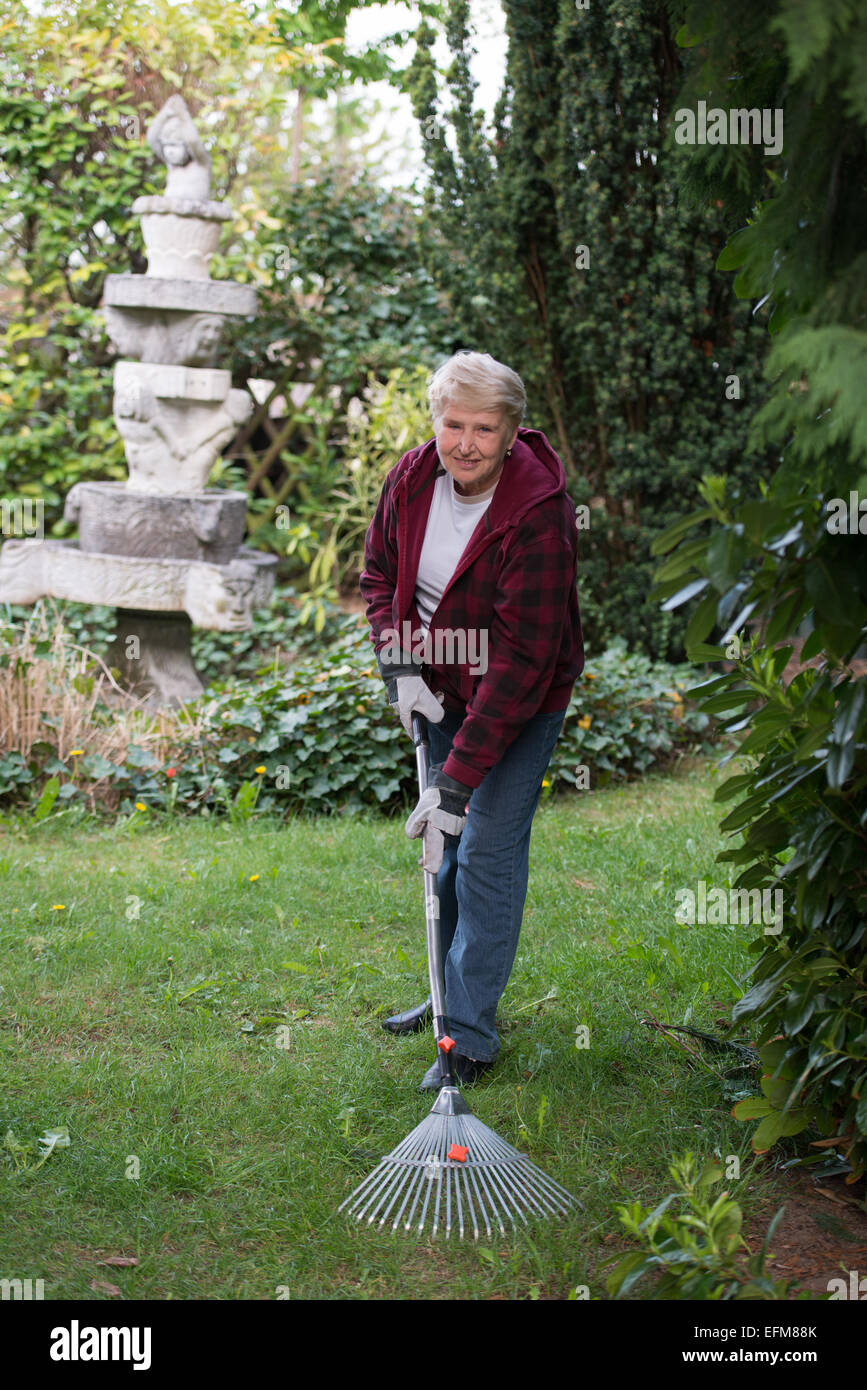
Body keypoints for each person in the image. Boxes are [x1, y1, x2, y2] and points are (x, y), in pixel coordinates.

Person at [359, 350, 584, 1090]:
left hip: (518, 699)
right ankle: (445, 997)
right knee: (444, 858)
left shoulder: (537, 512)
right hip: (437, 687)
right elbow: (380, 576)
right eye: (452, 424)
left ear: (511, 432)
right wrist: (400, 667)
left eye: (483, 429)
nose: (463, 443)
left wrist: (454, 787)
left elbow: (523, 662)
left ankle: (469, 1037)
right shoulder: (412, 475)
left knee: (483, 850)